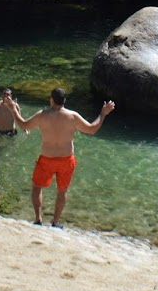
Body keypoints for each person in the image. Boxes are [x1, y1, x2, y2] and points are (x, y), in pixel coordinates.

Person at [15, 88, 115, 228]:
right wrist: (103, 113)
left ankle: (38, 220)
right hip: (66, 160)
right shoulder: (72, 116)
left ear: (51, 99)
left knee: (37, 187)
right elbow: (92, 129)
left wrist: (13, 109)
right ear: (64, 101)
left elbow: (23, 125)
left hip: (47, 158)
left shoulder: (42, 115)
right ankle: (55, 222)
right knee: (62, 191)